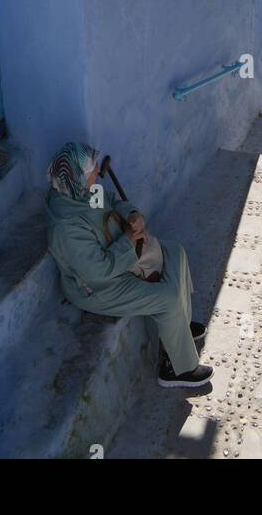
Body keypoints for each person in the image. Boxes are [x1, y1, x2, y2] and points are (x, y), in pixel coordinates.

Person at [45, 142, 212, 389]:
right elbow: (96, 272)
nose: (97, 173)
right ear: (75, 178)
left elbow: (110, 200)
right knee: (166, 297)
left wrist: (131, 213)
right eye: (91, 171)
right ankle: (177, 369)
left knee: (175, 252)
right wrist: (127, 242)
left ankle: (180, 327)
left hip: (117, 257)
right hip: (97, 287)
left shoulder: (82, 192)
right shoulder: (66, 228)